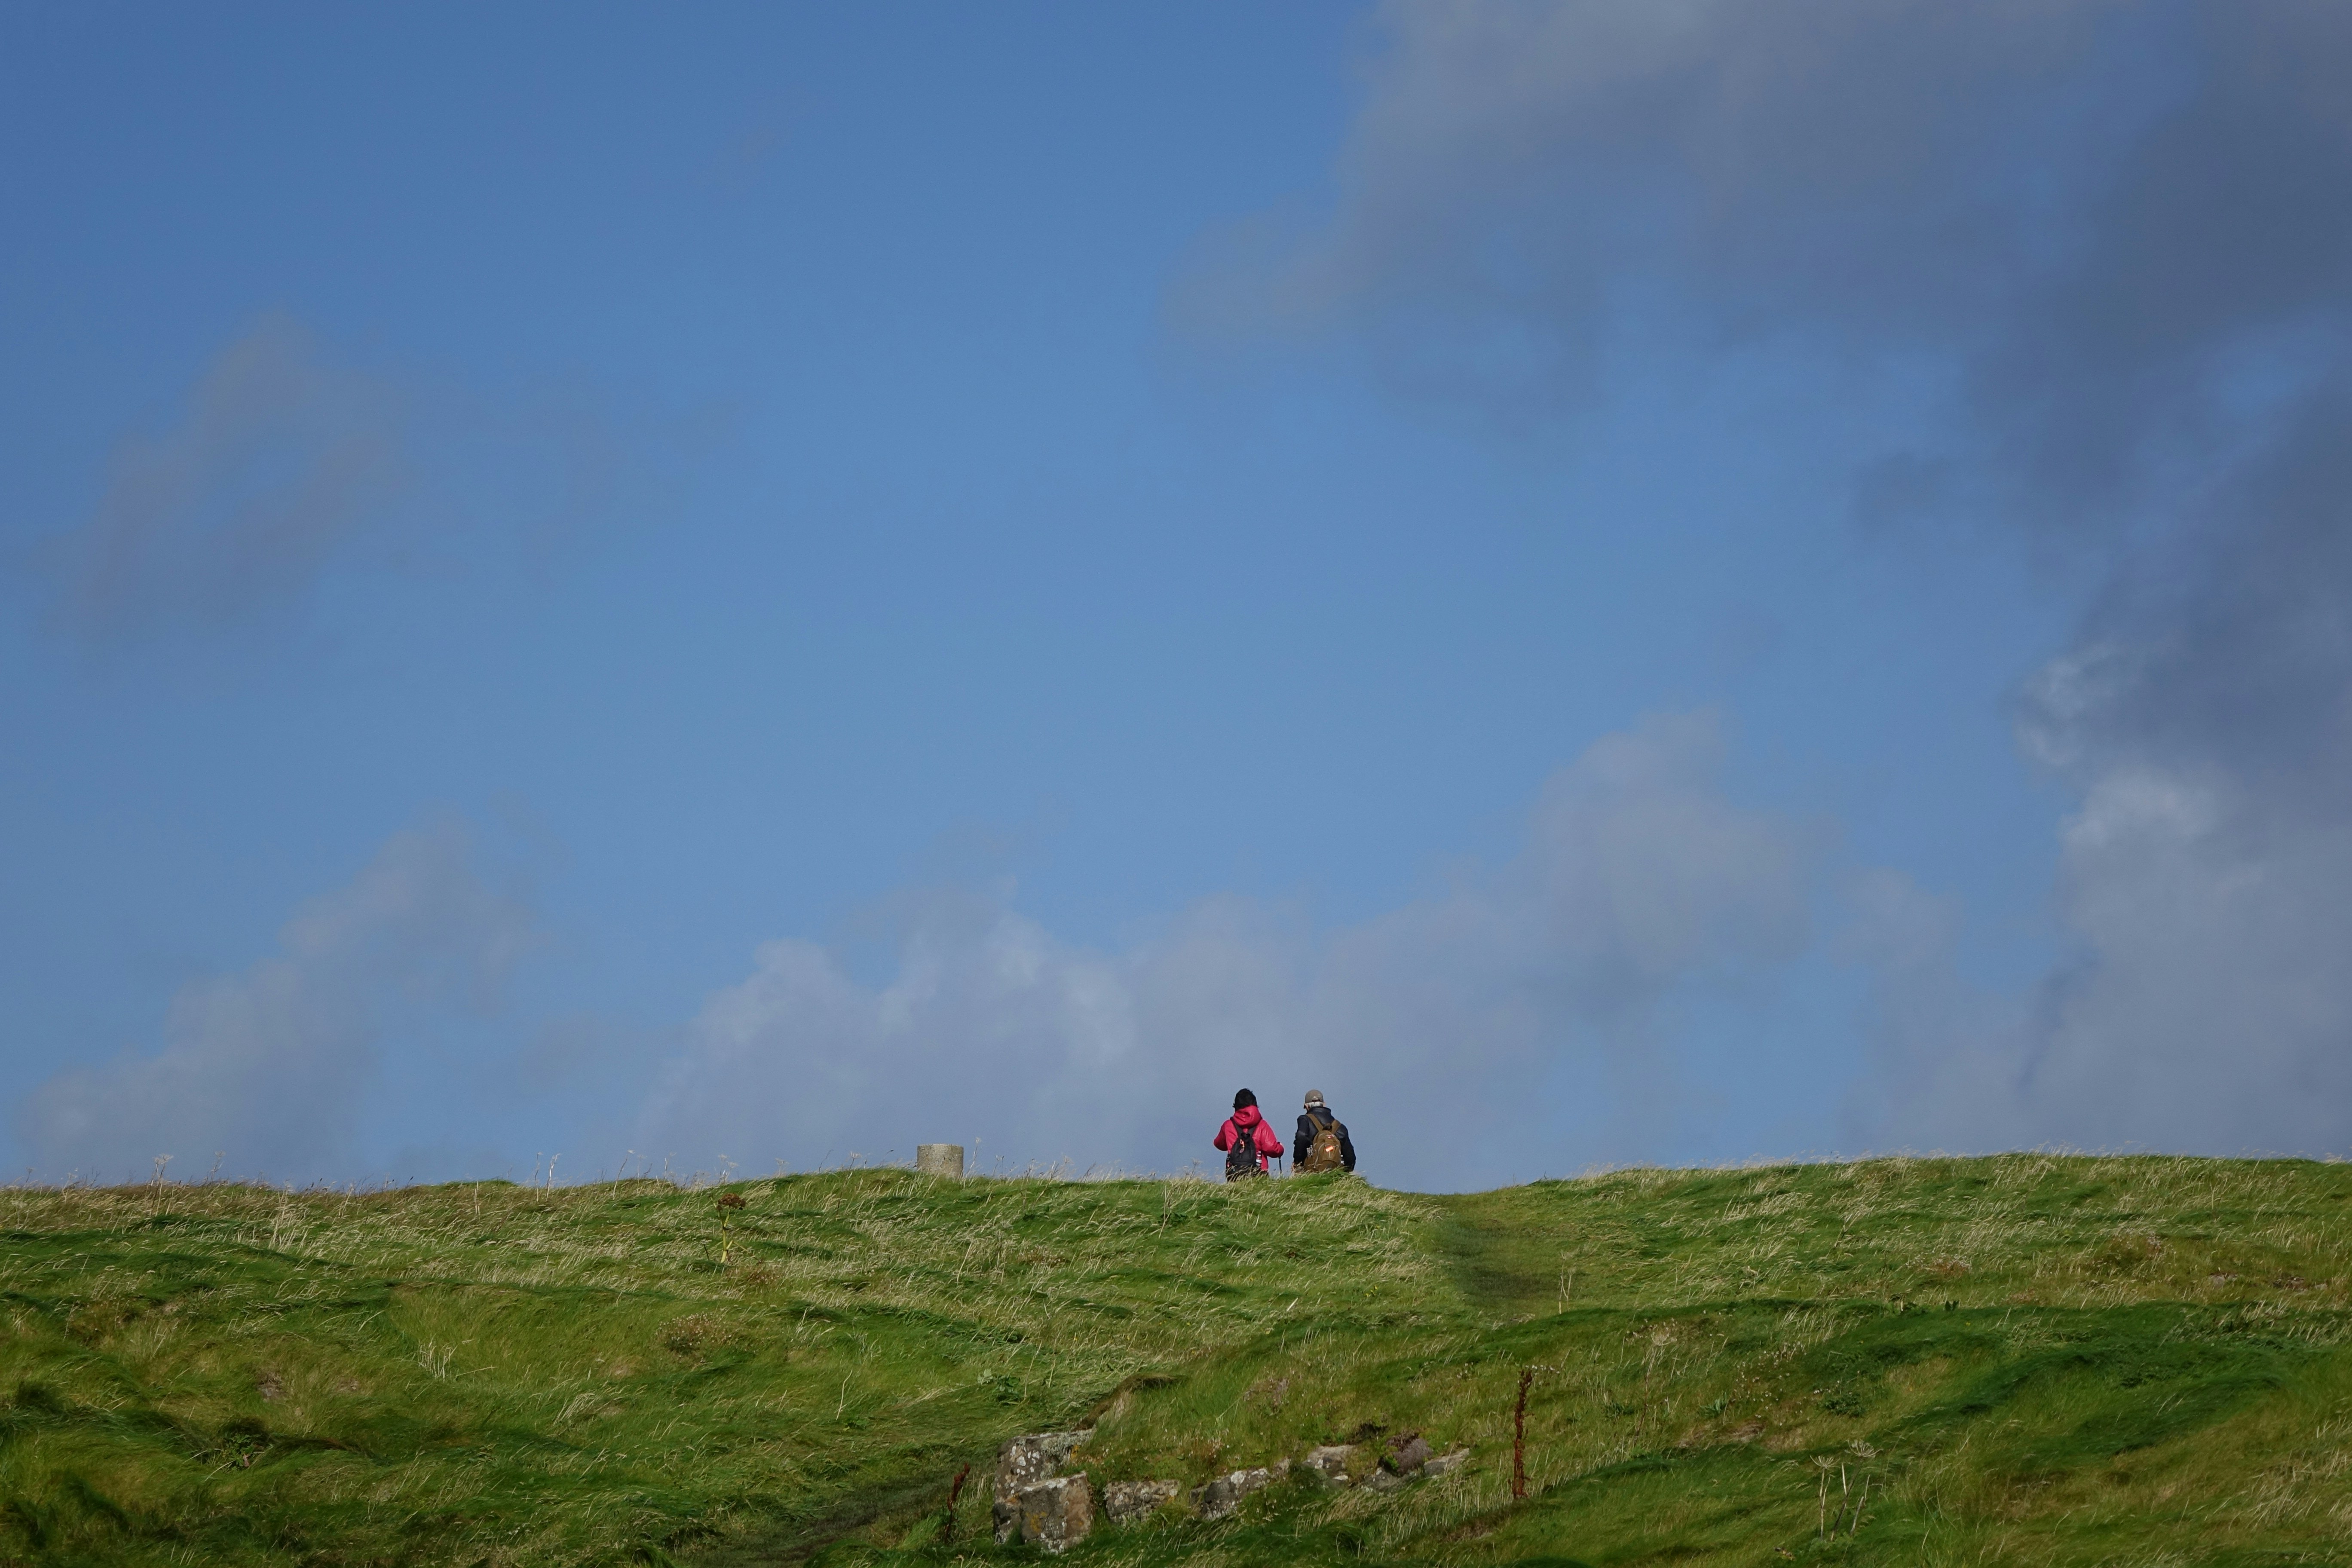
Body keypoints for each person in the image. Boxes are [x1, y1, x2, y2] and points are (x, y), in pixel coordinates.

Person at [1215, 1089, 1285, 1180]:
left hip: (1235, 1175)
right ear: (1255, 1104)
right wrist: (1280, 1148)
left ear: (1236, 1106)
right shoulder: (1262, 1125)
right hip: (1259, 1174)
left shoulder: (1228, 1125)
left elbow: (1218, 1144)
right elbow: (1272, 1149)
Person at [1292, 1089, 1356, 1174]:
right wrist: (1343, 1173)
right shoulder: (1340, 1127)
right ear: (1324, 1104)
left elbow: (1302, 1138)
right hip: (1334, 1174)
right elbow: (1351, 1158)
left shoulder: (1305, 1120)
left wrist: (1298, 1162)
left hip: (1311, 1172)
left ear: (1307, 1106)